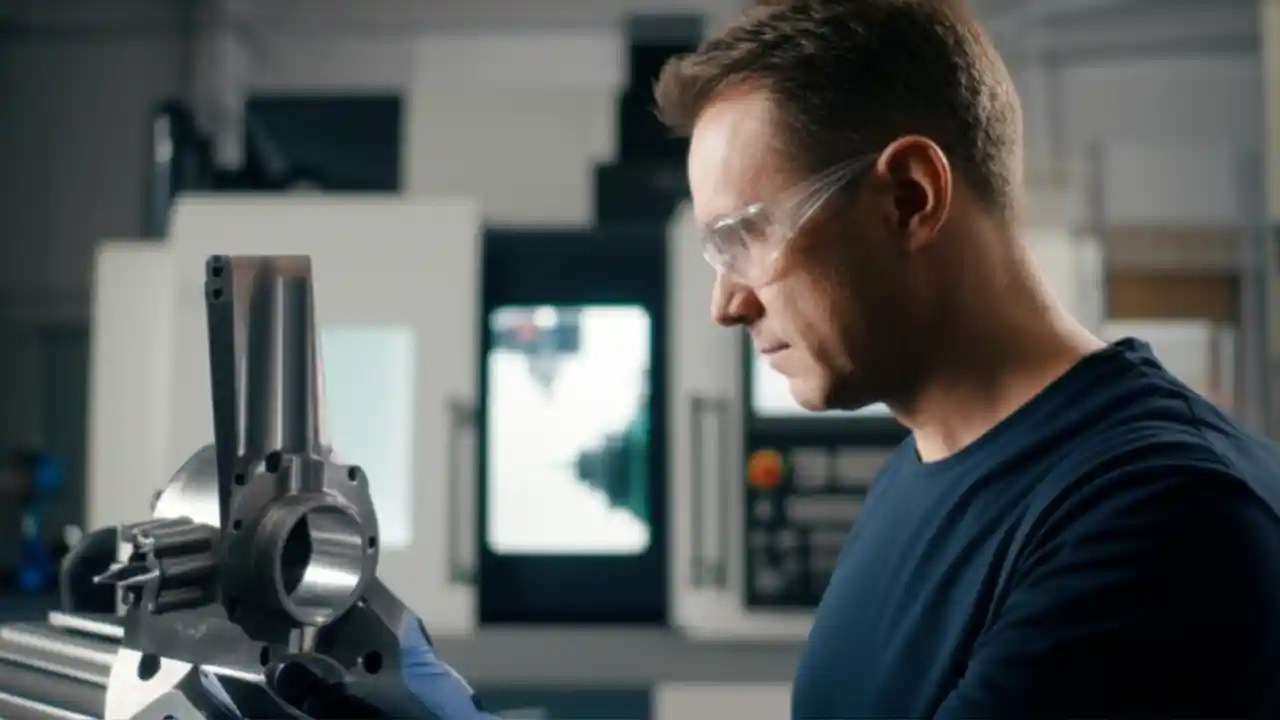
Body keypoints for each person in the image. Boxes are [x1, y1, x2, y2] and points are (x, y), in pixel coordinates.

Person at [646, 0, 1280, 717]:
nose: (726, 304)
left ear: (911, 197)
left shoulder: (1159, 518)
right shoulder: (920, 472)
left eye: (748, 236)